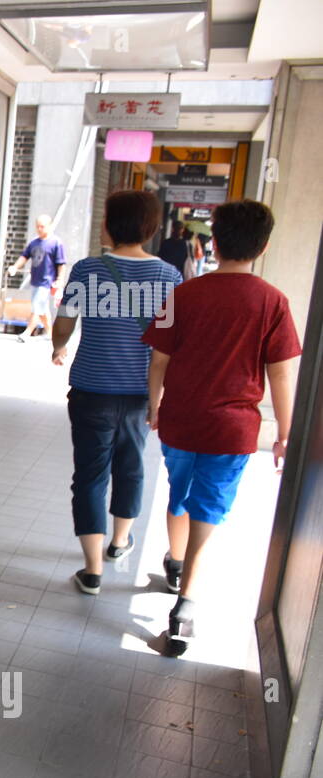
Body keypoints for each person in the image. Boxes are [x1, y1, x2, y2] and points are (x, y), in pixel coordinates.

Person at [142, 199, 301, 649]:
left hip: (181, 420)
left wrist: (155, 405)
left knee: (180, 490)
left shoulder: (183, 295)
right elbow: (281, 372)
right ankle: (185, 607)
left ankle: (174, 561)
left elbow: (159, 360)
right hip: (232, 430)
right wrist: (285, 434)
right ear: (263, 246)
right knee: (208, 510)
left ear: (214, 242)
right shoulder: (273, 302)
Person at [51, 190, 181, 595]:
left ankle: (91, 571)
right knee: (130, 467)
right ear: (152, 228)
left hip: (91, 388)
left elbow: (65, 322)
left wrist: (58, 346)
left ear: (108, 225)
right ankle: (120, 542)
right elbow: (170, 343)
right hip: (140, 391)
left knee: (90, 474)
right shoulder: (169, 277)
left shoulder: (87, 269)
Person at [8, 213, 67, 342]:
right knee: (42, 309)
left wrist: (60, 280)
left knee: (37, 306)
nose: (40, 229)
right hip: (35, 280)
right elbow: (24, 256)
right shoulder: (34, 243)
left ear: (50, 226)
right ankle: (51, 333)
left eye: (42, 226)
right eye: (38, 226)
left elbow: (61, 264)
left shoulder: (56, 243)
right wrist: (15, 267)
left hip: (47, 281)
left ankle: (27, 332)